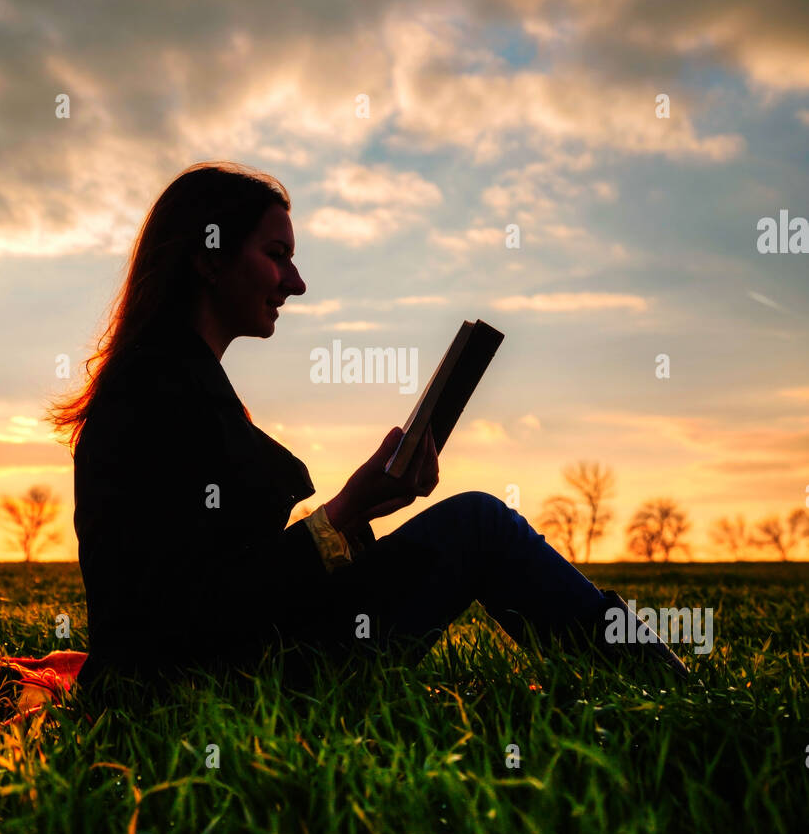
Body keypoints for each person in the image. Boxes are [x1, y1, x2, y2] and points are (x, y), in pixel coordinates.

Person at [48, 161, 689, 700]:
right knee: (478, 526)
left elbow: (230, 579)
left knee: (477, 526)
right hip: (210, 684)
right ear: (208, 260)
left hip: (226, 664)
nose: (295, 284)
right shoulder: (157, 393)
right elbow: (188, 608)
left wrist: (355, 515)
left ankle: (653, 677)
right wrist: (342, 516)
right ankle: (667, 690)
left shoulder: (173, 381)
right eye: (277, 257)